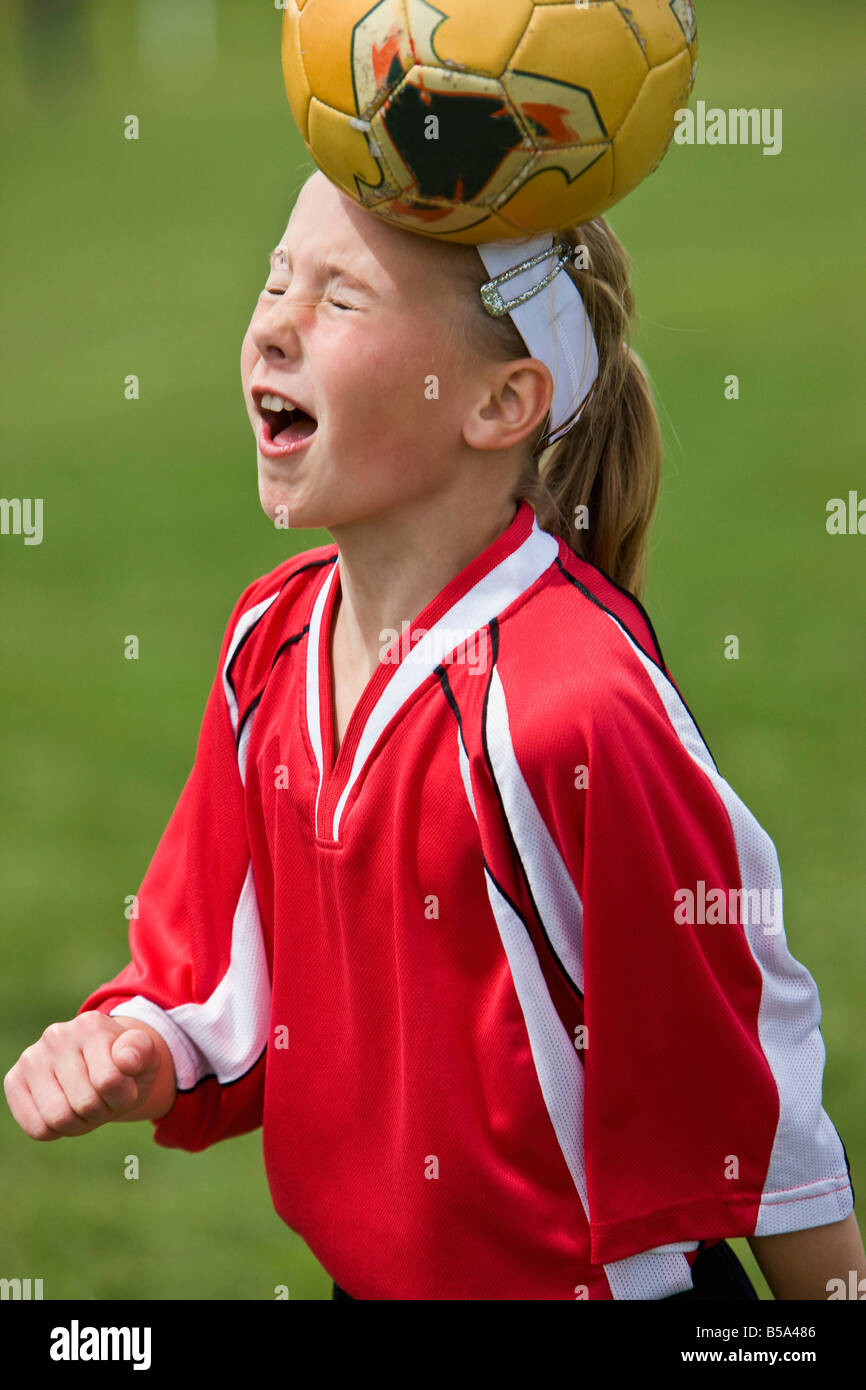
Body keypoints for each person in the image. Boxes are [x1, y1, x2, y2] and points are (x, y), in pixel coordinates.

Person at [5, 170, 864, 1301]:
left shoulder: (572, 710)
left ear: (500, 403)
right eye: (274, 279)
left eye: (339, 298)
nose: (272, 323)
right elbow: (216, 974)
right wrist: (132, 1048)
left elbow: (753, 1110)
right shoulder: (269, 636)